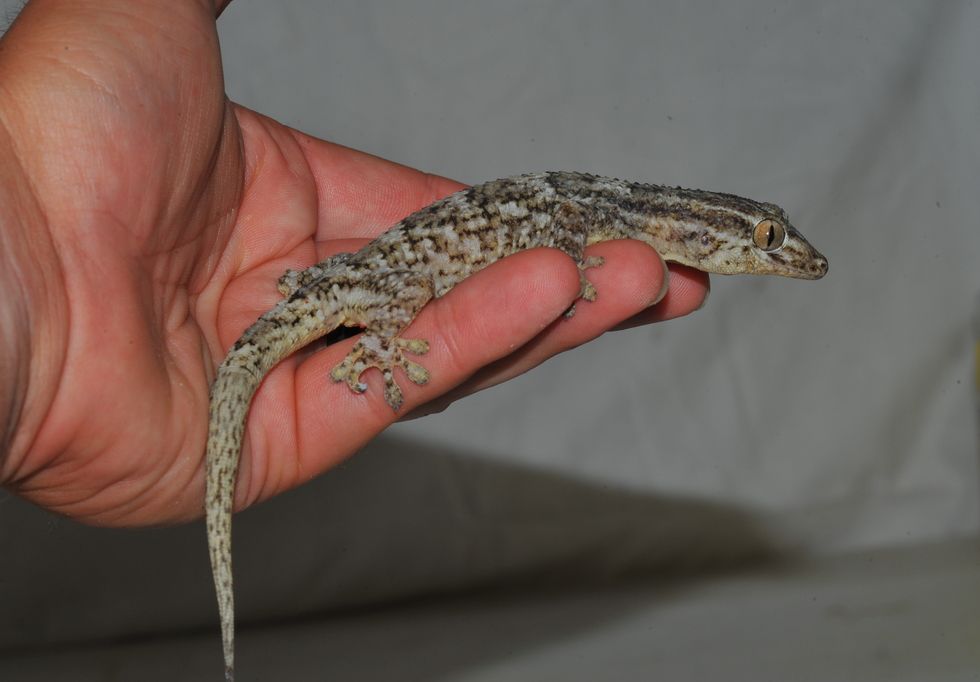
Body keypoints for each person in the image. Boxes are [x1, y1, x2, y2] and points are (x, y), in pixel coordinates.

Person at [0, 0, 709, 528]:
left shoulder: (609, 215)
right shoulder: (604, 215)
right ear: (705, 233)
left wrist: (42, 326)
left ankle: (352, 319)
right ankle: (367, 330)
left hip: (347, 283)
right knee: (424, 299)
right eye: (765, 236)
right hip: (369, 291)